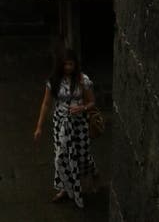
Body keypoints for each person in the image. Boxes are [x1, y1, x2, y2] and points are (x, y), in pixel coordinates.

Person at [33, 47, 98, 208]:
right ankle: (65, 188)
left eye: (71, 64)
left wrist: (82, 108)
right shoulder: (54, 82)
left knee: (81, 155)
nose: (68, 67)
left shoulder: (82, 80)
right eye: (65, 64)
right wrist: (39, 127)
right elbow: (46, 104)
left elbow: (92, 102)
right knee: (61, 157)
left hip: (79, 125)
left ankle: (87, 180)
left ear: (75, 64)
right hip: (61, 124)